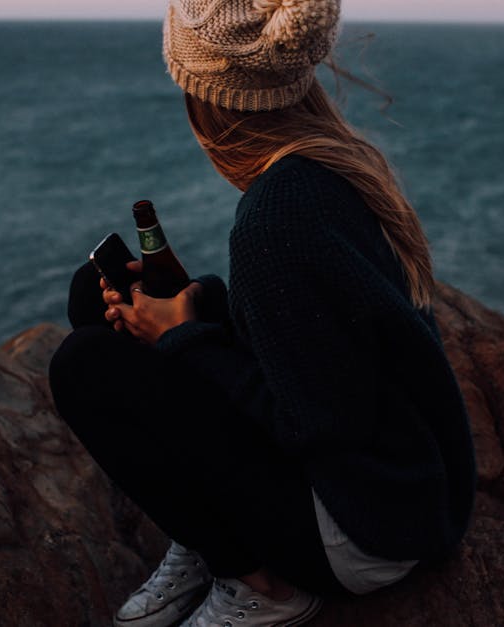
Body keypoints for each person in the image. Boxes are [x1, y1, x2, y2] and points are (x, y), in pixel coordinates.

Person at [48, 1, 476, 625]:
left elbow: (313, 424)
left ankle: (259, 588)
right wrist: (203, 306)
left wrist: (188, 337)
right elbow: (318, 335)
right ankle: (210, 535)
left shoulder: (275, 219)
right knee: (95, 296)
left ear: (209, 100)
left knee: (84, 365)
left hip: (364, 526)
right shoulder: (327, 165)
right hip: (407, 485)